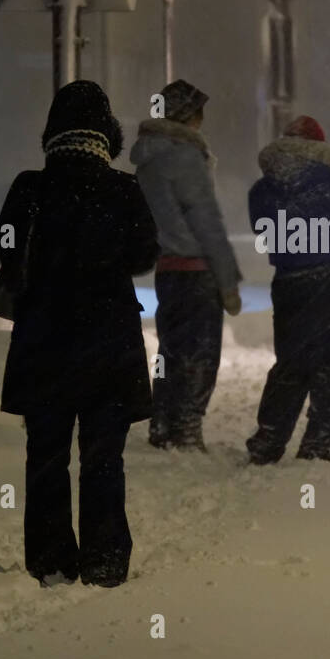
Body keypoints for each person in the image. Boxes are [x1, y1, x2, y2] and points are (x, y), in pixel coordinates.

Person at [0, 81, 159, 587]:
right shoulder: (124, 188)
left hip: (43, 341)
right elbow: (144, 255)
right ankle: (105, 557)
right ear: (105, 132)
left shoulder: (28, 188)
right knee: (103, 454)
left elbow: (7, 249)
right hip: (107, 342)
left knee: (45, 453)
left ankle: (50, 559)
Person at [245, 115, 330, 464]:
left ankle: (268, 440)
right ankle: (318, 443)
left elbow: (265, 232)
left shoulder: (262, 191)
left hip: (288, 286)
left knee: (289, 362)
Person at [129, 79, 242, 453]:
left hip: (167, 269)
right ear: (189, 117)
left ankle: (162, 421)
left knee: (171, 348)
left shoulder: (146, 160)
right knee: (202, 352)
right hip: (198, 269)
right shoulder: (185, 157)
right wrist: (227, 281)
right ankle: (188, 426)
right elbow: (206, 221)